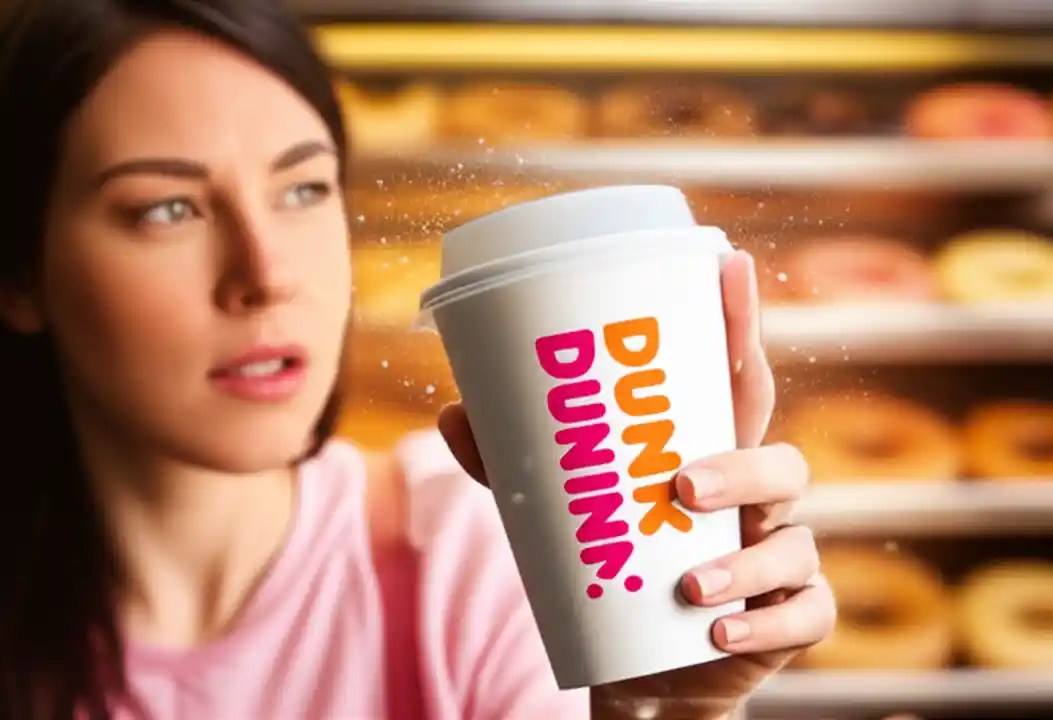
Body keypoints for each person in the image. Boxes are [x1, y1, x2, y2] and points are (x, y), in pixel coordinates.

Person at [0, 0, 835, 718]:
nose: (267, 275)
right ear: (20, 272)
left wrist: (655, 709)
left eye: (302, 189)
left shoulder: (486, 562)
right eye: (166, 208)